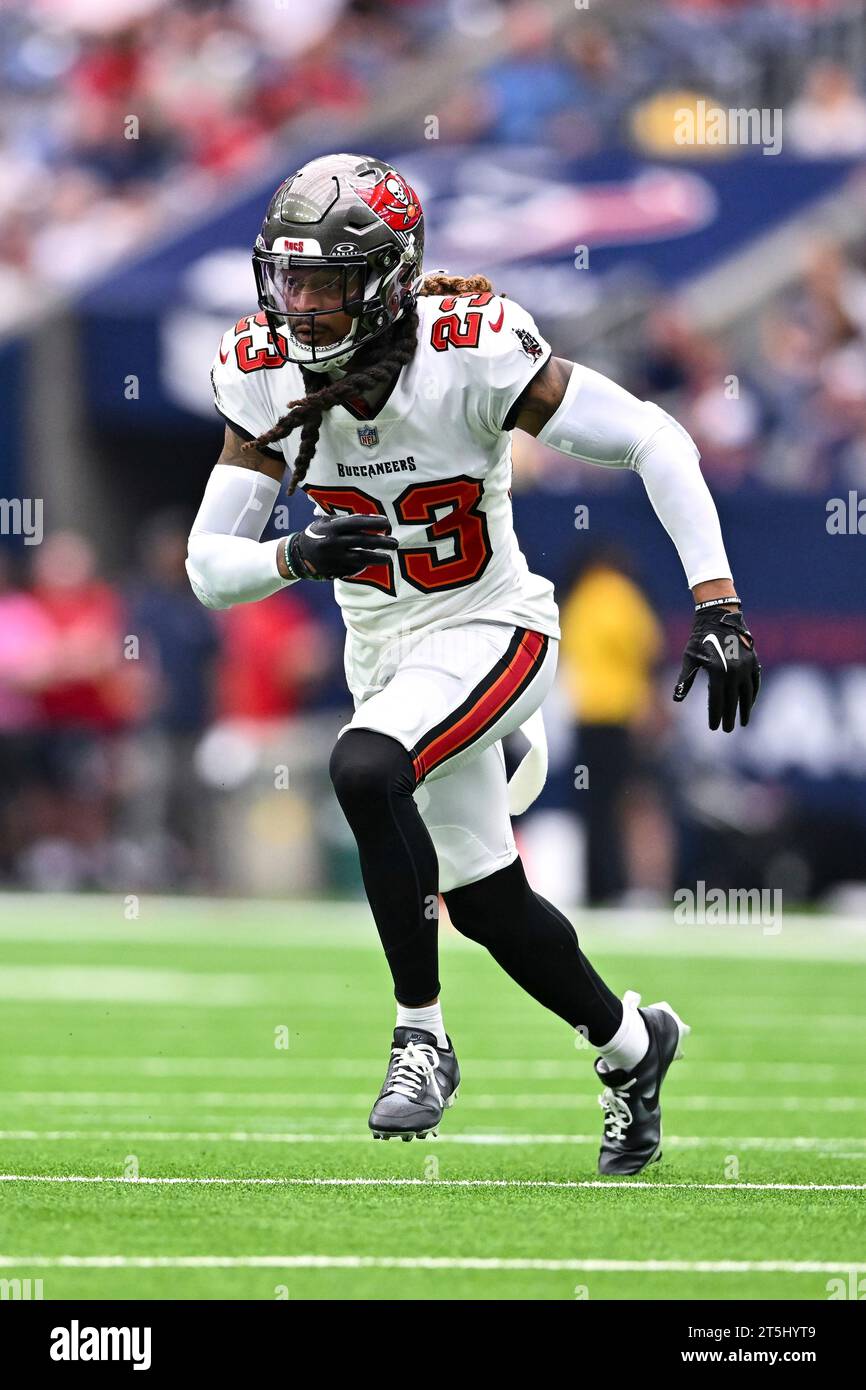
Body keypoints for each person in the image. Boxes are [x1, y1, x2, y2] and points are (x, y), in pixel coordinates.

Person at [185, 153, 761, 1175]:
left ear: (390, 279)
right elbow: (206, 566)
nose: (302, 304)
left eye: (327, 282)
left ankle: (421, 1034)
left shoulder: (472, 348)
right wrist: (290, 556)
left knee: (362, 766)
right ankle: (633, 1046)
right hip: (389, 655)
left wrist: (714, 600)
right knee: (489, 902)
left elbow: (654, 439)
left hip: (497, 624)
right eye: (289, 279)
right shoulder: (261, 367)